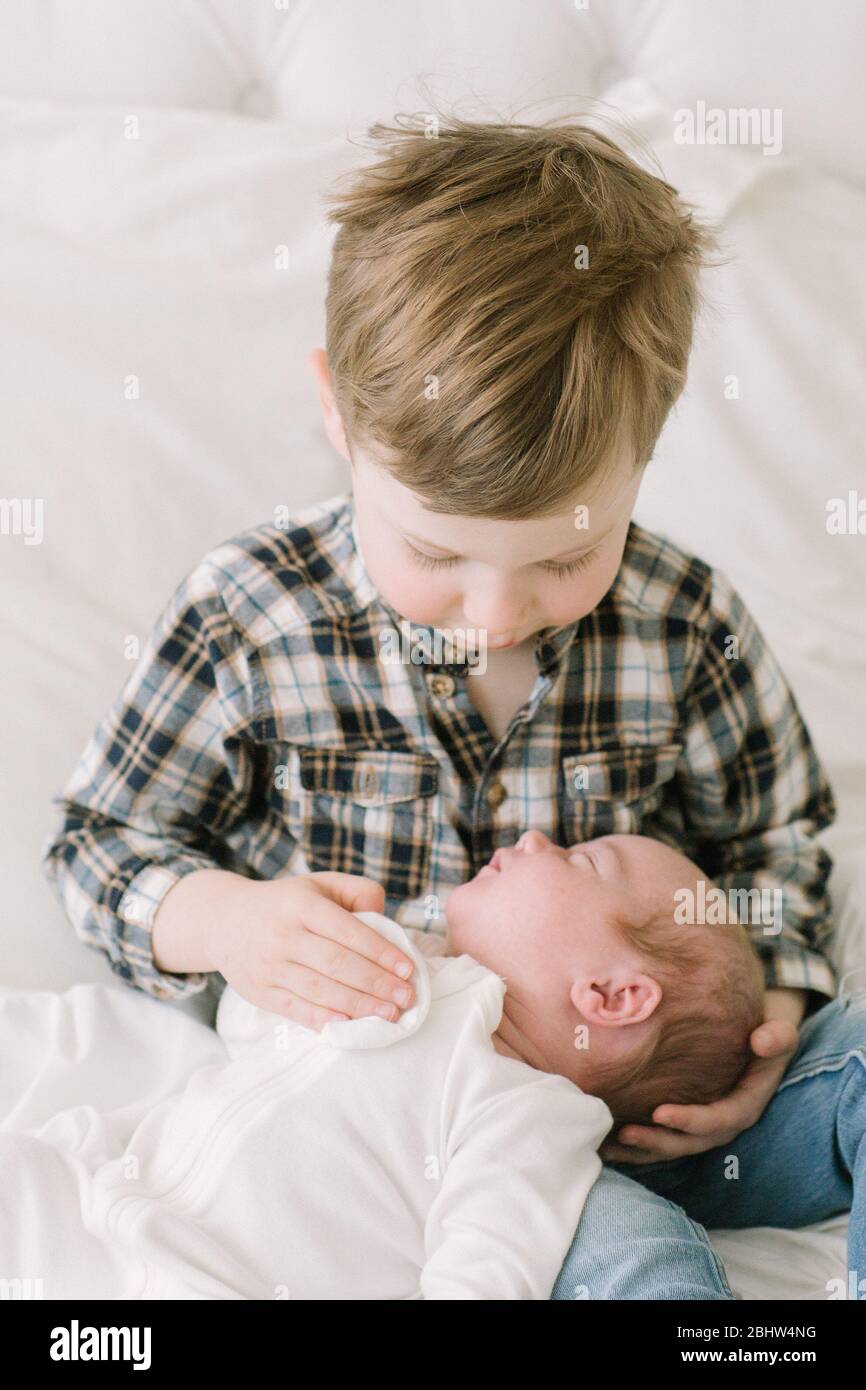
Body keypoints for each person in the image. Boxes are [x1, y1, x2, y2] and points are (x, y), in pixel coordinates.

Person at [43, 116, 860, 1301]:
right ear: (339, 417)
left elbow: (775, 841)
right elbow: (98, 845)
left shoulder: (684, 619)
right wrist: (224, 923)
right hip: (421, 1142)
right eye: (435, 550)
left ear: (646, 450)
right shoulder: (251, 615)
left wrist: (766, 1007)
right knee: (624, 1262)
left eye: (563, 558)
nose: (496, 611)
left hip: (654, 1111)